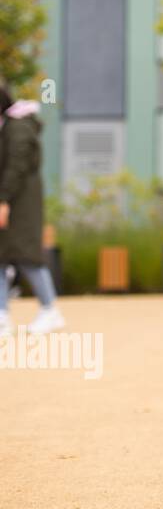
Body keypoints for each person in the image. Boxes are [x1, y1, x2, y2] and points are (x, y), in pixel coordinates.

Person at [0, 83, 64, 338]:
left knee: (28, 257)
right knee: (1, 259)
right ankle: (2, 315)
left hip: (20, 204)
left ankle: (50, 309)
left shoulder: (18, 128)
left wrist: (3, 200)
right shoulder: (8, 127)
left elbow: (16, 166)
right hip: (11, 201)